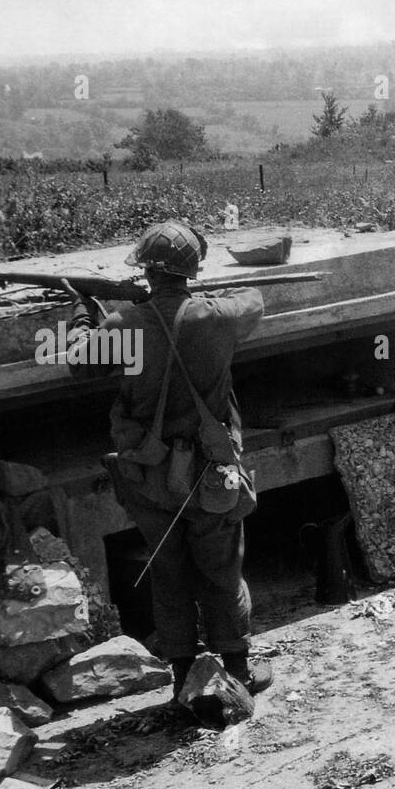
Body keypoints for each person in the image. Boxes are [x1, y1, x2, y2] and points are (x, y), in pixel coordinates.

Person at [63, 219, 271, 702]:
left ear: (145, 273)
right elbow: (255, 298)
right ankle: (237, 670)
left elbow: (77, 359)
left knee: (168, 571)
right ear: (192, 272)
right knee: (221, 568)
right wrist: (205, 291)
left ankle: (183, 678)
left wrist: (84, 309)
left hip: (150, 476)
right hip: (211, 474)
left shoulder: (127, 326)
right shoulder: (217, 317)